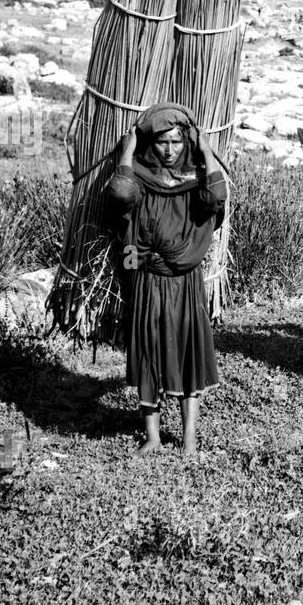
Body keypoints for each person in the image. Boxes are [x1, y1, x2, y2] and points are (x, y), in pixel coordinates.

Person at [106, 102, 227, 457]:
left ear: (186, 142)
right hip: (148, 280)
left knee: (188, 354)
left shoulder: (194, 181)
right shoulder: (139, 178)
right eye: (161, 142)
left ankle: (189, 438)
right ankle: (154, 436)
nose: (170, 150)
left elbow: (217, 195)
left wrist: (205, 149)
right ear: (149, 144)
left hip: (184, 283)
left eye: (177, 142)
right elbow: (121, 195)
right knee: (148, 353)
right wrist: (128, 149)